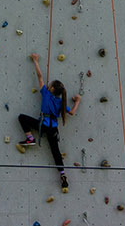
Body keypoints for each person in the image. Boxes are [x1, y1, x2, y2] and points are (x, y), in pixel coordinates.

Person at [16, 51, 79, 191]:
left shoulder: (45, 94)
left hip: (43, 125)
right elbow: (72, 112)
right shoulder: (61, 102)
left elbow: (39, 76)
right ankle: (62, 175)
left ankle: (30, 138)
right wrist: (78, 101)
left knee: (22, 118)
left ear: (51, 89)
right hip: (53, 130)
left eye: (50, 84)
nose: (48, 84)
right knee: (55, 152)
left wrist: (35, 60)